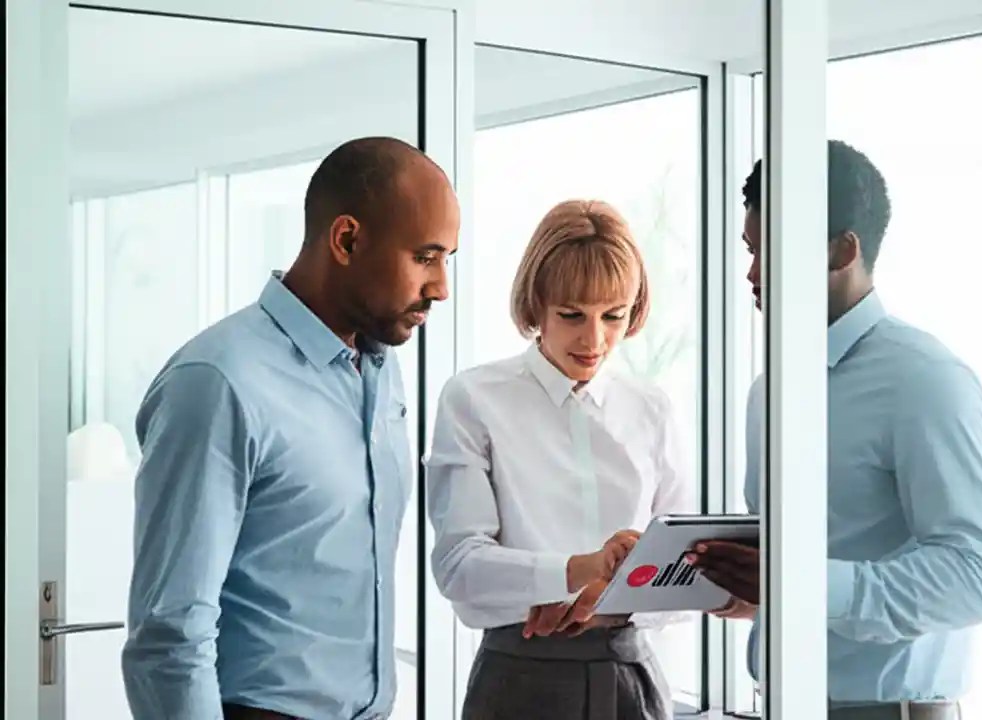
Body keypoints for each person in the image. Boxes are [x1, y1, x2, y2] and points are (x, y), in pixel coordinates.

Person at [122, 137, 460, 720]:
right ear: (348, 239)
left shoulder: (379, 370)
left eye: (447, 259)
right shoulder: (218, 382)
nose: (441, 287)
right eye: (425, 257)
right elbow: (170, 633)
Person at [689, 141, 982, 720]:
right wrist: (751, 588)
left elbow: (977, 577)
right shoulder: (770, 391)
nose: (753, 274)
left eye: (772, 251)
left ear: (842, 250)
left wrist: (802, 586)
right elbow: (823, 561)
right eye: (750, 250)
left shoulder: (927, 381)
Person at [426, 199, 693, 720]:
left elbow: (686, 575)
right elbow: (458, 567)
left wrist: (615, 593)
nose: (594, 340)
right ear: (536, 306)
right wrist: (578, 571)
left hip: (630, 680)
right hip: (518, 679)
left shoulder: (652, 409)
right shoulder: (474, 398)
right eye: (571, 316)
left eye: (613, 316)